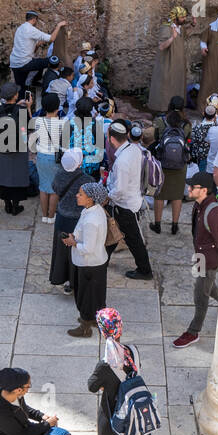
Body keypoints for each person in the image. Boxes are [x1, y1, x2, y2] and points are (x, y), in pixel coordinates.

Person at [88, 307, 142, 435]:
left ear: (103, 332)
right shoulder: (133, 351)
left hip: (112, 416)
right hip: (133, 413)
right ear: (120, 327)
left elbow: (92, 386)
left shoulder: (104, 365)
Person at [171, 172, 218, 348]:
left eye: (192, 187)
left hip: (210, 261)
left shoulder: (213, 211)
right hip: (201, 257)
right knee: (208, 287)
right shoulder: (198, 205)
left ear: (204, 190)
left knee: (201, 295)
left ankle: (193, 332)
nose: (189, 188)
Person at [104, 121, 153, 280]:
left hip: (124, 205)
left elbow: (120, 190)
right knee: (114, 233)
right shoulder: (134, 149)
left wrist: (107, 197)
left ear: (112, 139)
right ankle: (102, 261)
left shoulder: (122, 161)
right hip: (131, 201)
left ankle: (145, 270)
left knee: (132, 239)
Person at [64, 181, 109, 337]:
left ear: (90, 198)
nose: (77, 195)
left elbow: (88, 248)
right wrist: (74, 236)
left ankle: (85, 327)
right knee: (96, 295)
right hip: (97, 261)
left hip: (89, 264)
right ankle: (96, 320)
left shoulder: (91, 220)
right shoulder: (94, 210)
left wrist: (73, 243)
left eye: (81, 194)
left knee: (85, 296)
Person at [0, 82, 35, 215]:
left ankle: (7, 205)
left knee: (4, 175)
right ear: (16, 96)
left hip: (2, 148)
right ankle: (16, 206)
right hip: (18, 149)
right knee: (17, 177)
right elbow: (29, 128)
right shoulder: (21, 111)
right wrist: (28, 108)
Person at [49, 149, 88, 292]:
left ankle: (62, 279)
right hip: (78, 221)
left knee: (62, 252)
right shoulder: (86, 179)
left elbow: (55, 188)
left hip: (62, 218)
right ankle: (75, 282)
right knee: (76, 252)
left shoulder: (59, 175)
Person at [150, 96, 191, 235]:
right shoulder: (186, 124)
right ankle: (174, 225)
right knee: (177, 195)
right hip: (180, 165)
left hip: (162, 162)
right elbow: (188, 141)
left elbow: (156, 139)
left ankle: (157, 224)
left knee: (160, 194)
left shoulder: (161, 121)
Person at [9, 11, 67, 96]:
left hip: (14, 64)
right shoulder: (31, 29)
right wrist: (59, 26)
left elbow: (30, 49)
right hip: (24, 63)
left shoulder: (20, 28)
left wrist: (38, 44)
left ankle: (22, 108)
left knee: (21, 89)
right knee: (50, 61)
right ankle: (37, 81)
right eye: (37, 20)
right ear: (34, 19)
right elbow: (51, 38)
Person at [31, 92, 63, 223]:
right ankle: (51, 216)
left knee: (43, 187)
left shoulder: (37, 121)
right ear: (58, 108)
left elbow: (32, 140)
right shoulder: (63, 123)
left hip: (41, 157)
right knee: (54, 189)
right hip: (55, 158)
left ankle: (44, 215)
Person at [148, 11, 188, 111]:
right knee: (165, 88)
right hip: (167, 64)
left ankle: (177, 108)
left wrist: (193, 25)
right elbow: (161, 46)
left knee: (176, 86)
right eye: (182, 17)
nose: (184, 19)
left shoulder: (180, 28)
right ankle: (163, 110)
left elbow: (185, 36)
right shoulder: (166, 28)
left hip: (177, 65)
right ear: (175, 18)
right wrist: (172, 38)